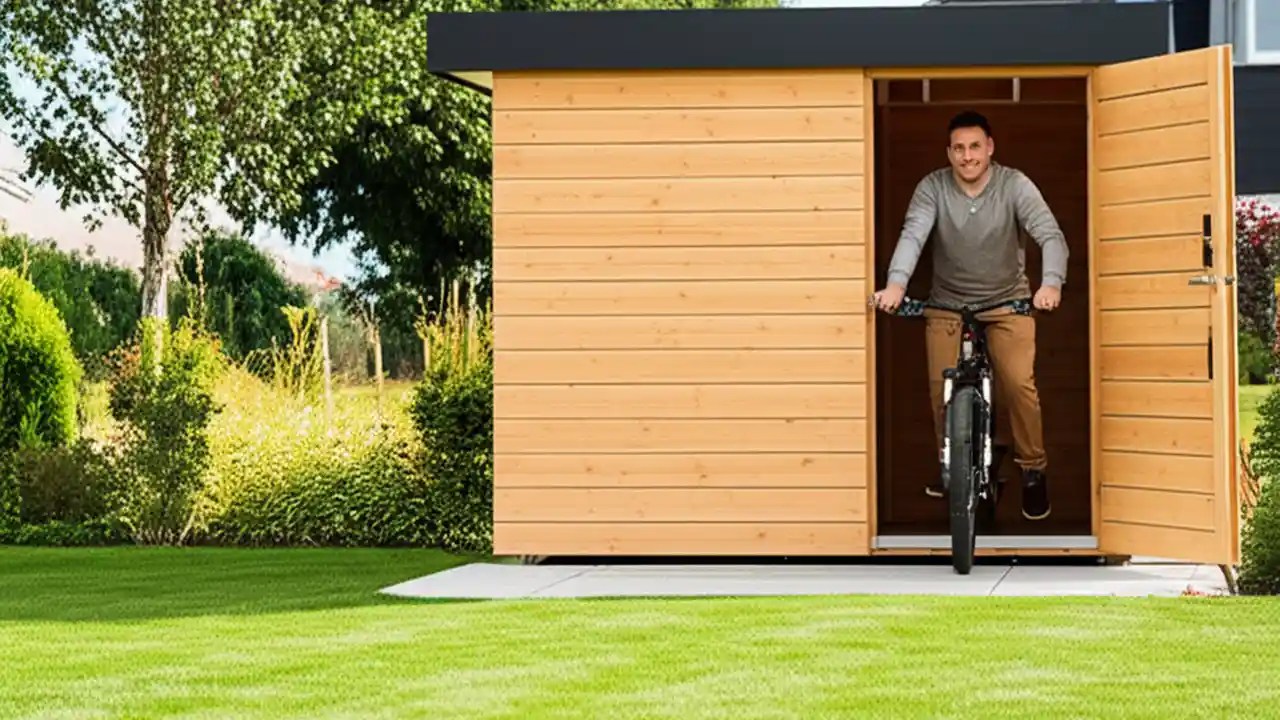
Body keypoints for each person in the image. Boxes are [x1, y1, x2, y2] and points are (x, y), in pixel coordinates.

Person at [872, 110, 1068, 522]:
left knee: (1018, 385)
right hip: (948, 303)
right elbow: (913, 235)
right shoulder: (933, 187)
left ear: (990, 148)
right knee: (939, 389)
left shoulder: (1014, 185)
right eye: (958, 149)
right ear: (949, 153)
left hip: (1007, 302)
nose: (967, 156)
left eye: (975, 146)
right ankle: (951, 466)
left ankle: (1033, 469)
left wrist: (1050, 284)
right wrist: (896, 285)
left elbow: (1050, 235)